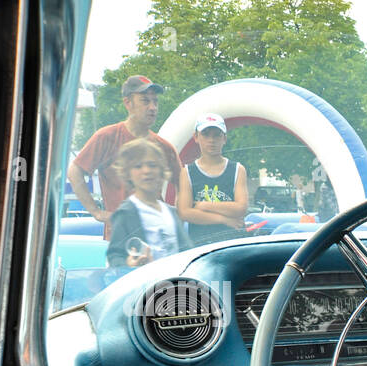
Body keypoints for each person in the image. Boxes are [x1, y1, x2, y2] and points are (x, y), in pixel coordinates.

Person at [68, 75, 180, 239]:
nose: (152, 107)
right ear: (128, 103)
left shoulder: (164, 146)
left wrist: (174, 214)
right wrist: (96, 212)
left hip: (157, 237)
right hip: (119, 238)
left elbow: (182, 182)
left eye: (155, 101)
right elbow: (74, 171)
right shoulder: (106, 137)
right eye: (145, 101)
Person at [104, 138, 188, 268]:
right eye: (138, 166)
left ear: (161, 171)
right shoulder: (125, 214)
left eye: (152, 165)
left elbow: (187, 251)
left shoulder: (172, 213)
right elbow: (115, 256)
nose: (146, 170)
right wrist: (128, 264)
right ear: (127, 174)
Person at [176, 114, 248, 247]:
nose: (211, 140)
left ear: (224, 138)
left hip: (231, 245)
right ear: (196, 137)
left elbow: (241, 208)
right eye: (206, 134)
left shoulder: (238, 170)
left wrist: (204, 206)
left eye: (217, 135)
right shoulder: (187, 172)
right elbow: (185, 212)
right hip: (199, 246)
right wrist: (224, 219)